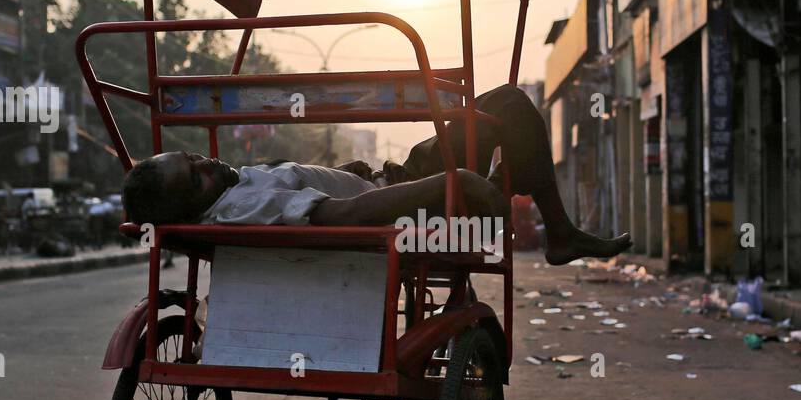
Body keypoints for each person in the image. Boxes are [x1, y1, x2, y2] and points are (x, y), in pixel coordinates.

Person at [121, 84, 630, 265]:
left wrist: (339, 172)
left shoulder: (230, 193)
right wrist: (454, 184)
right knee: (509, 106)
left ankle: (526, 206)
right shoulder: (240, 209)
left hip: (387, 179)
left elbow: (315, 193)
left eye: (194, 156)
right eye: (197, 177)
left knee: (501, 121)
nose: (208, 164)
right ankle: (555, 230)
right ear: (195, 205)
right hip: (403, 199)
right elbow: (349, 214)